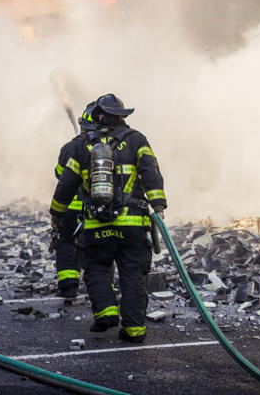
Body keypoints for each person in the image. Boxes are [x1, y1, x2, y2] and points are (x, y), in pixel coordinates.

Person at [49, 93, 166, 343]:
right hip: (133, 225)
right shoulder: (136, 140)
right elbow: (151, 172)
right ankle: (134, 330)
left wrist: (56, 214)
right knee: (133, 275)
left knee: (97, 268)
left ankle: (106, 313)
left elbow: (66, 184)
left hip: (96, 224)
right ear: (121, 117)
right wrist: (159, 205)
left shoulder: (82, 145)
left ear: (97, 117)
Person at [52, 103, 96, 298]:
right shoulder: (107, 147)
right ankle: (103, 289)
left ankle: (68, 286)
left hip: (70, 209)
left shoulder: (70, 147)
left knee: (65, 242)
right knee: (98, 249)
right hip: (94, 210)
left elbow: (60, 175)